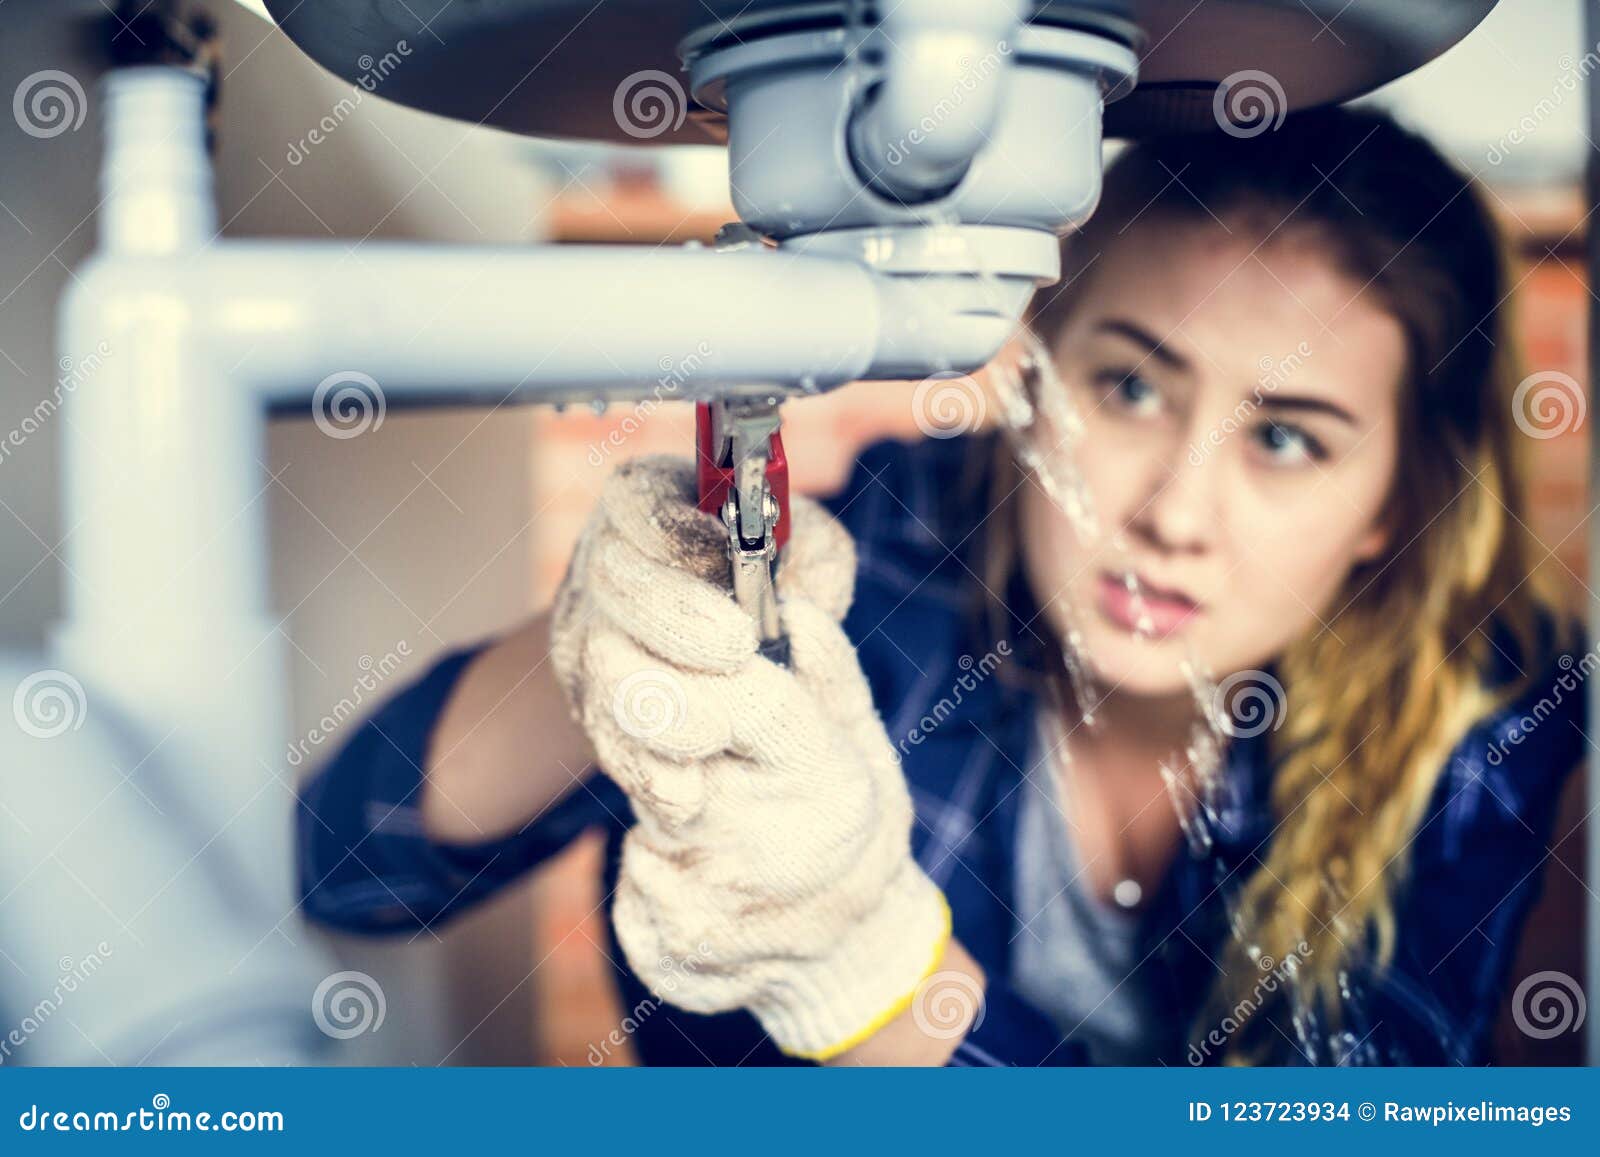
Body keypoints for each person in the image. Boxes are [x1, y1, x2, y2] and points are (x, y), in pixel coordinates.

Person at [296, 106, 1584, 1066]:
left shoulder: (1492, 736)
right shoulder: (891, 561)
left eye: (1286, 437)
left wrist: (872, 975)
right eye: (1128, 387)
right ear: (1032, 382)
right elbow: (345, 867)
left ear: (1393, 508)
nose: (1173, 514)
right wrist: (597, 647)